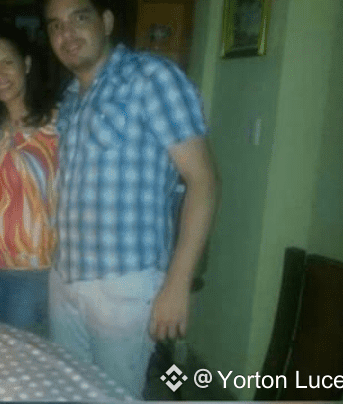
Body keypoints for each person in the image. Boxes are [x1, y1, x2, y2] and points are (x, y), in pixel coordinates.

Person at [43, 0, 218, 398]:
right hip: (64, 275)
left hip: (125, 283)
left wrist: (177, 283)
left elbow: (204, 181)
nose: (66, 34)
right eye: (55, 25)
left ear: (106, 21)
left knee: (115, 394)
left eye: (79, 18)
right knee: (69, 390)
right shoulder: (70, 98)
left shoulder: (151, 78)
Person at [0, 21, 58, 336]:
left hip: (30, 272)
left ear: (26, 63)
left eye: (6, 63)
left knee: (22, 359)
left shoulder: (59, 124)